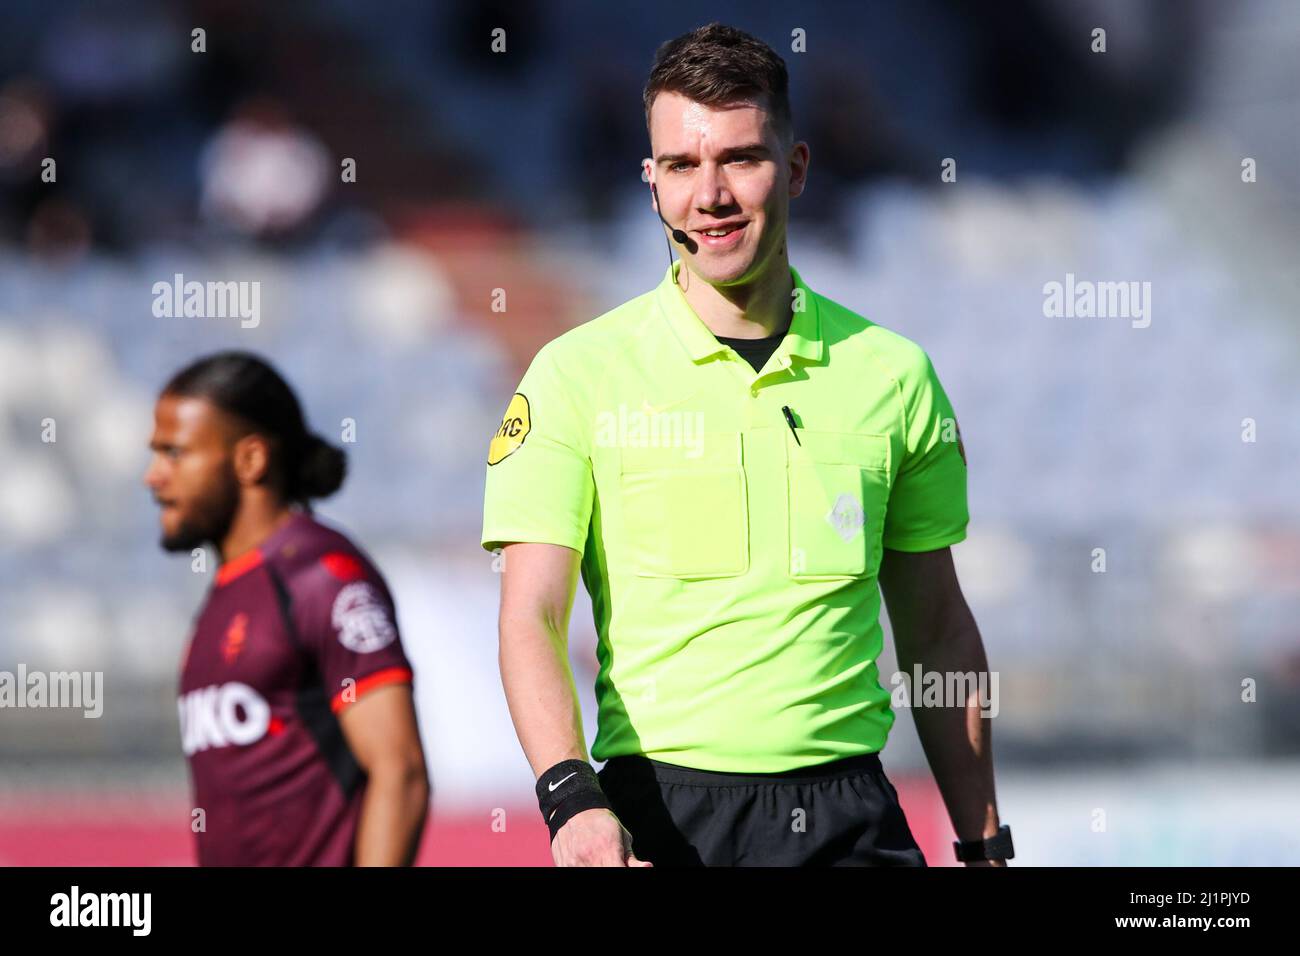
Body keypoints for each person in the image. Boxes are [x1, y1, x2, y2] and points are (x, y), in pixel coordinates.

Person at [482, 23, 1012, 867]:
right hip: (661, 814)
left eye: (741, 158)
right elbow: (532, 617)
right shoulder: (573, 376)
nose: (712, 194)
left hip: (852, 818)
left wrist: (985, 845)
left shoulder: (894, 375)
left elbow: (938, 628)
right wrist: (570, 800)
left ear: (794, 169)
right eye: (683, 167)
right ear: (651, 185)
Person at [145, 351, 429, 865]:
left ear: (250, 460)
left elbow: (400, 770)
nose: (154, 476)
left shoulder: (322, 576)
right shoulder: (227, 594)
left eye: (175, 453)